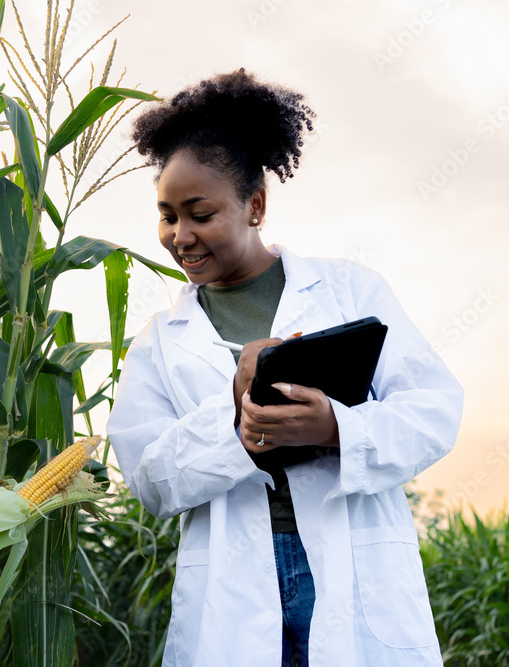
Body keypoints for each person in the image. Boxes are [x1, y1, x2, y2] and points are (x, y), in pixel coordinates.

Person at [105, 69, 464, 667]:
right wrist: (235, 423)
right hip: (234, 585)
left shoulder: (351, 289)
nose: (180, 235)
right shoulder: (160, 342)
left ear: (256, 205)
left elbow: (432, 413)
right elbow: (149, 480)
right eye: (168, 215)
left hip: (351, 569)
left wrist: (333, 428)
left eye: (200, 213)